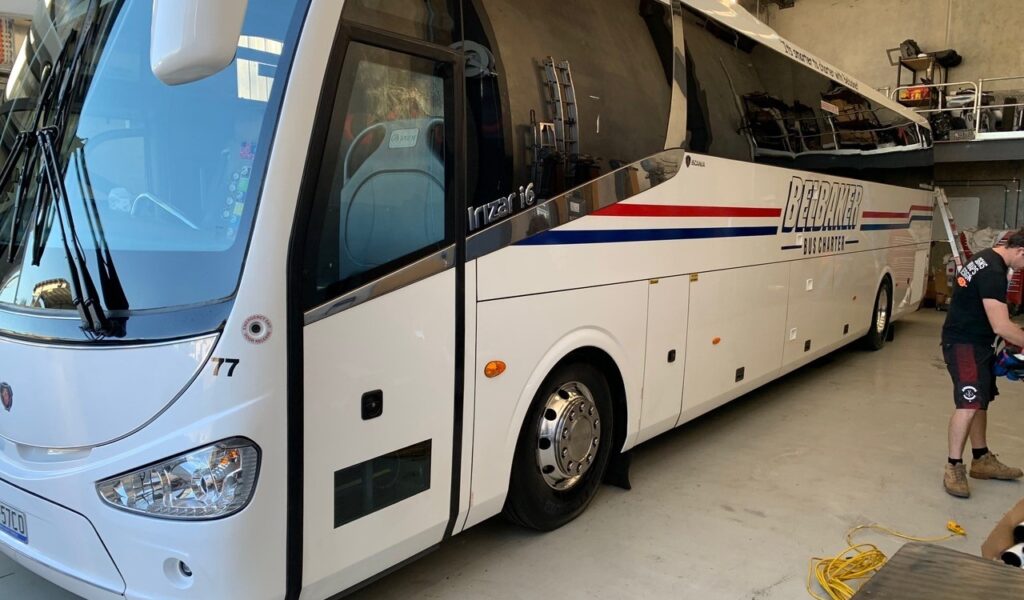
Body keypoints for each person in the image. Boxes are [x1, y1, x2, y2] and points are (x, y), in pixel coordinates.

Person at [942, 231, 1024, 498]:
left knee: (981, 399)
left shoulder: (987, 259)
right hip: (965, 345)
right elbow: (1001, 326)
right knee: (969, 403)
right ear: (1021, 251)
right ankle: (953, 466)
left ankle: (981, 458)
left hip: (978, 342)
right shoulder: (992, 272)